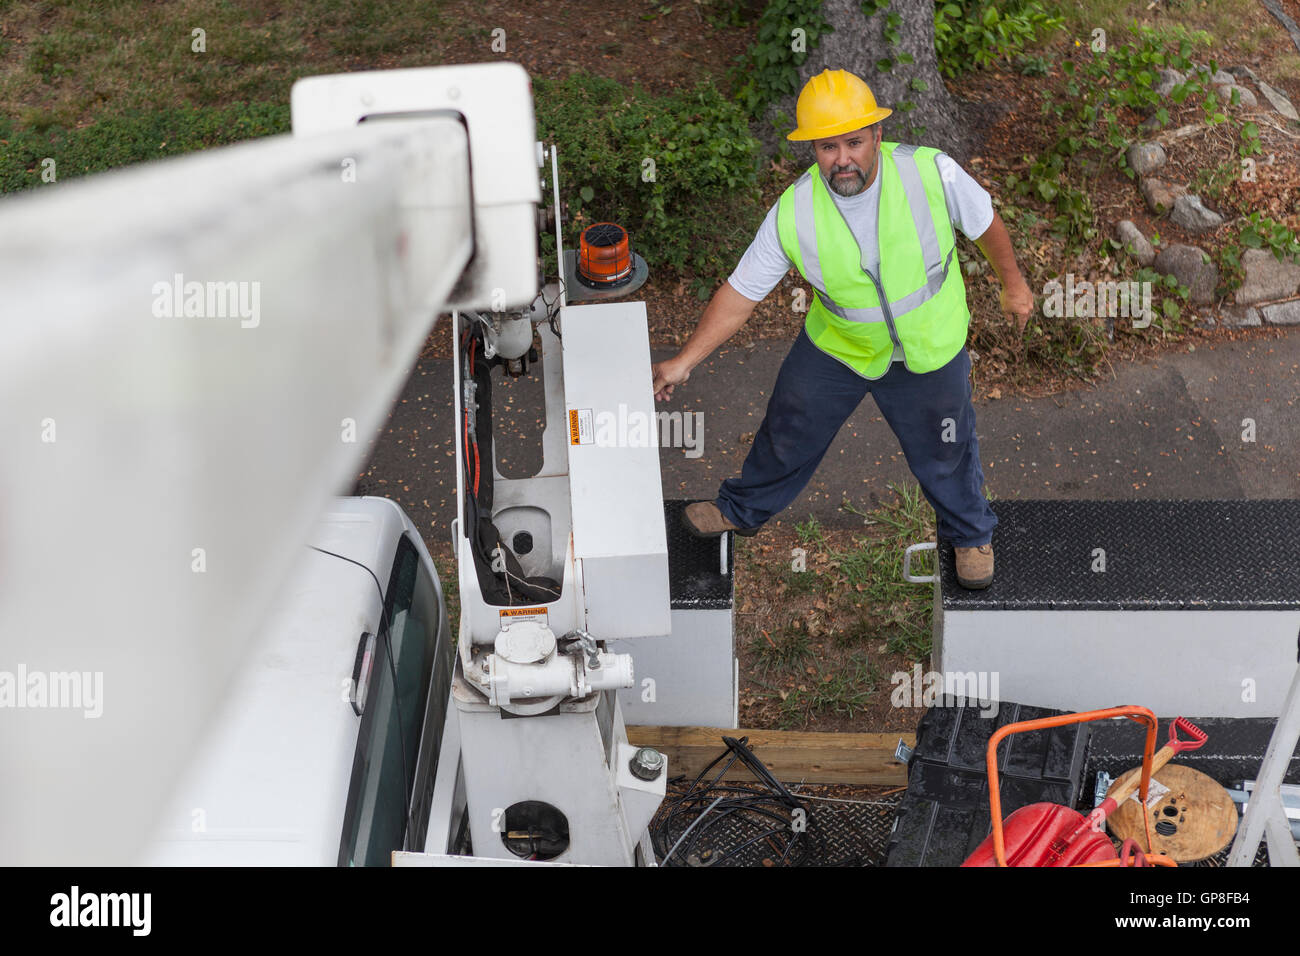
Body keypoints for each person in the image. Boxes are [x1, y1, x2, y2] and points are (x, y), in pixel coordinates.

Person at [650, 68, 1033, 589]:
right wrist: (684, 361)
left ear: (877, 135)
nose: (842, 158)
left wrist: (1014, 286)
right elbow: (741, 294)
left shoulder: (929, 173)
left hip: (930, 346)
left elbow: (986, 223)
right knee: (788, 428)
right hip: (840, 347)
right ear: (812, 149)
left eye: (853, 141)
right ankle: (741, 511)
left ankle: (970, 535)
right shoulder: (794, 210)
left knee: (947, 447)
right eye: (828, 147)